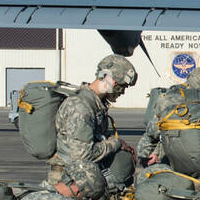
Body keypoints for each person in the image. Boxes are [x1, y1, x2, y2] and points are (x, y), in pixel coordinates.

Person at [49, 55, 138, 188]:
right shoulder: (81, 108)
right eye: (120, 87)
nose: (122, 92)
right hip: (68, 182)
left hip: (81, 177)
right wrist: (115, 144)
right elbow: (83, 154)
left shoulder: (94, 104)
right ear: (109, 80)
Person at [137, 67, 200, 167]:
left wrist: (151, 153)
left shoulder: (170, 95)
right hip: (196, 155)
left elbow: (153, 130)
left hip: (170, 151)